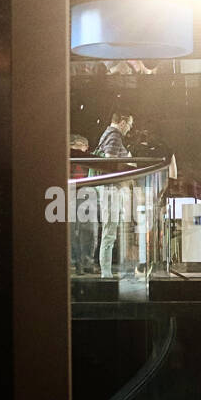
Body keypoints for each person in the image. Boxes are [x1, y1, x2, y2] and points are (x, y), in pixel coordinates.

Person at [95, 110, 133, 277]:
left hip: (109, 189)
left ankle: (106, 271)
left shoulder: (107, 134)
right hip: (110, 189)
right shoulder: (115, 135)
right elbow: (110, 163)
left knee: (109, 230)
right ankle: (106, 274)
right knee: (110, 231)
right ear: (123, 122)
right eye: (129, 125)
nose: (129, 129)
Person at [70, 133, 98, 274]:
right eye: (82, 145)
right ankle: (76, 264)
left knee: (89, 231)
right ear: (72, 146)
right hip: (71, 196)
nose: (85, 149)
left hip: (86, 196)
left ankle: (87, 262)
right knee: (73, 232)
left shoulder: (88, 161)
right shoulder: (69, 161)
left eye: (86, 146)